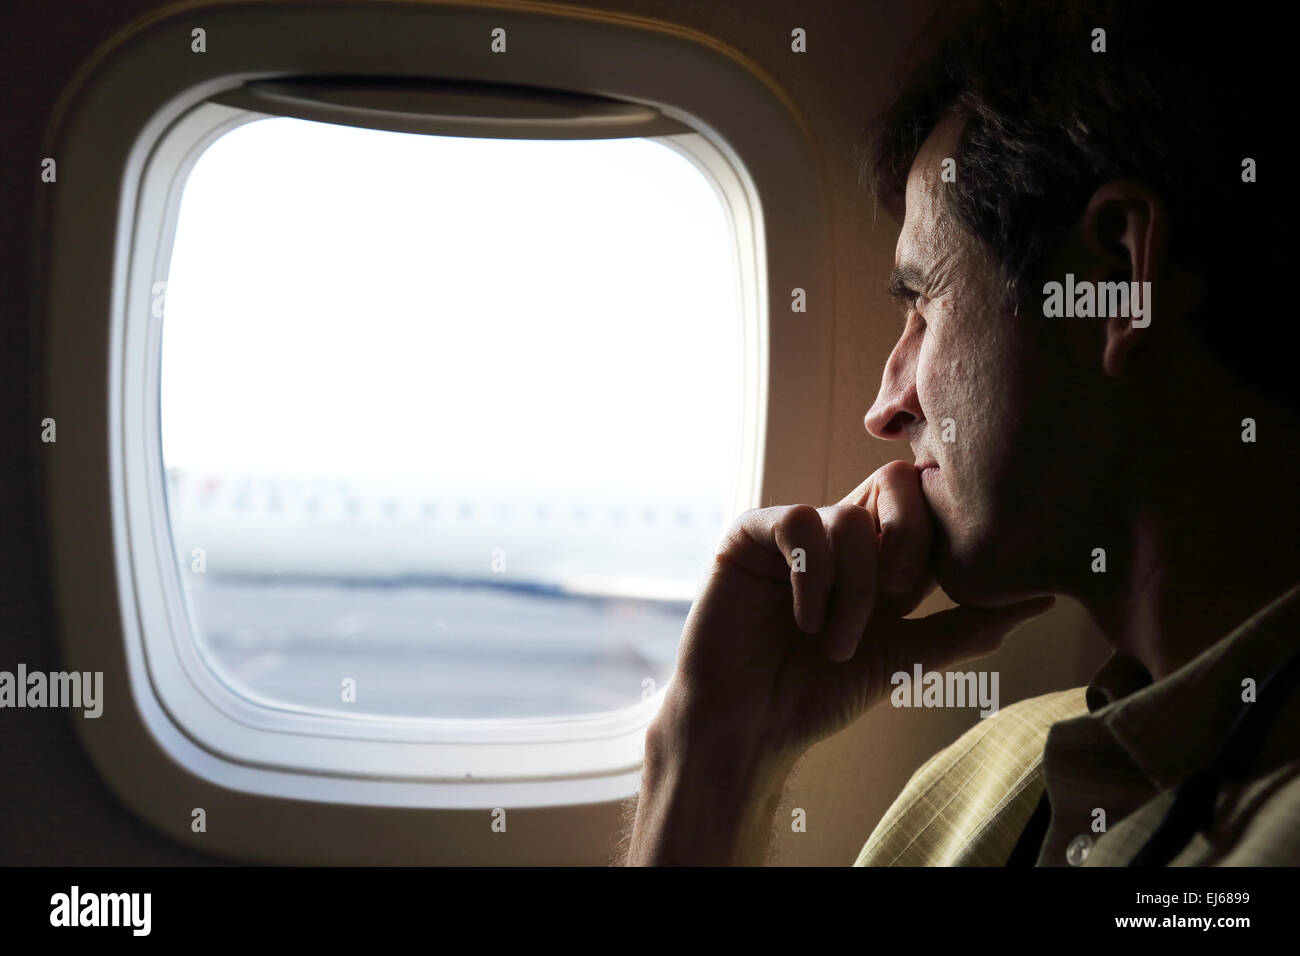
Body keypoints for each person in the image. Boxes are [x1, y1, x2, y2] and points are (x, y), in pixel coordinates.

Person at [622, 0, 1298, 866]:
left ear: (1112, 282)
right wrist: (711, 752)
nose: (884, 408)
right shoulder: (994, 770)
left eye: (922, 305)